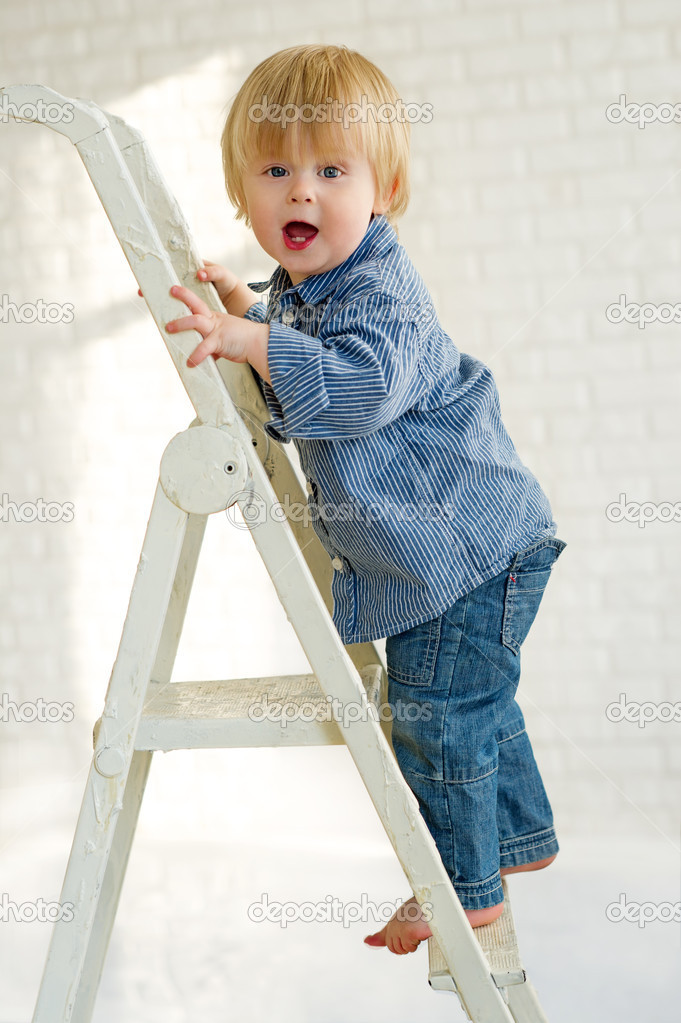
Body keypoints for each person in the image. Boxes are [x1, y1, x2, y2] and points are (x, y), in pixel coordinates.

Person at [164, 43, 567, 956]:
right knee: (477, 699)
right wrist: (250, 319)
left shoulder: (377, 287)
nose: (299, 191)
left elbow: (359, 391)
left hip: (465, 547)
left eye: (330, 170)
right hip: (458, 550)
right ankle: (513, 837)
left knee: (435, 714)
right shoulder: (303, 294)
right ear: (243, 195)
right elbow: (301, 367)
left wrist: (250, 342)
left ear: (383, 189)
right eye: (274, 170)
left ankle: (465, 892)